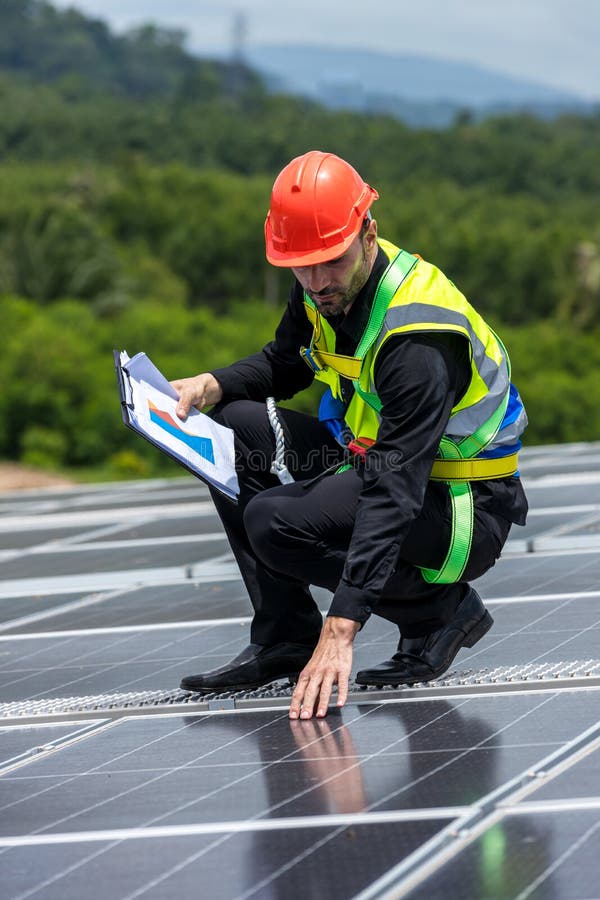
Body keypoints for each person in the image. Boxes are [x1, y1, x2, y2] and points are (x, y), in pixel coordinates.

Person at [173, 150, 528, 720]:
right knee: (233, 427)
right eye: (300, 267)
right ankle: (284, 635)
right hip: (378, 465)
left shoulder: (417, 336)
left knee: (273, 521)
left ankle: (440, 609)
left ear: (369, 232)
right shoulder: (321, 282)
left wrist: (342, 628)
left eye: (330, 263)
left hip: (457, 505)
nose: (316, 282)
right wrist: (211, 385)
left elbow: (395, 490)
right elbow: (287, 363)